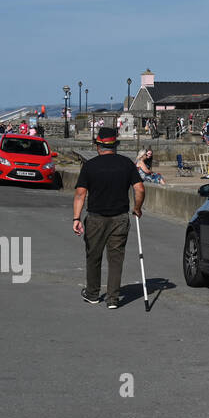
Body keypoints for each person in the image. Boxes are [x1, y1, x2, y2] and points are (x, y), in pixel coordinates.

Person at [72, 127, 144, 309]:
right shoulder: (127, 164)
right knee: (116, 259)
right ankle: (113, 299)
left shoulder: (89, 166)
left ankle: (93, 293)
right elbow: (140, 189)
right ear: (115, 146)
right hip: (120, 218)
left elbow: (80, 194)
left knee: (93, 256)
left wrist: (76, 218)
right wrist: (137, 208)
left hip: (96, 218)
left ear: (98, 146)